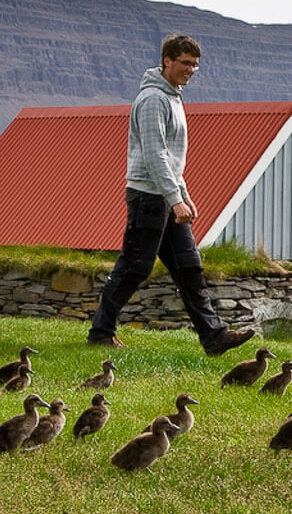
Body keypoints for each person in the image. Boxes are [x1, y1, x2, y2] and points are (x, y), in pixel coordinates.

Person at [88, 34, 254, 356]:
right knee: (135, 266)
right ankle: (101, 332)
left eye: (195, 65)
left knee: (189, 267)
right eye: (185, 63)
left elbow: (172, 157)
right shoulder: (153, 99)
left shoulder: (173, 97)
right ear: (167, 61)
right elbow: (154, 154)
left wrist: (183, 194)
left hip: (166, 195)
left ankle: (214, 337)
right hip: (148, 198)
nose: (191, 70)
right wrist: (174, 198)